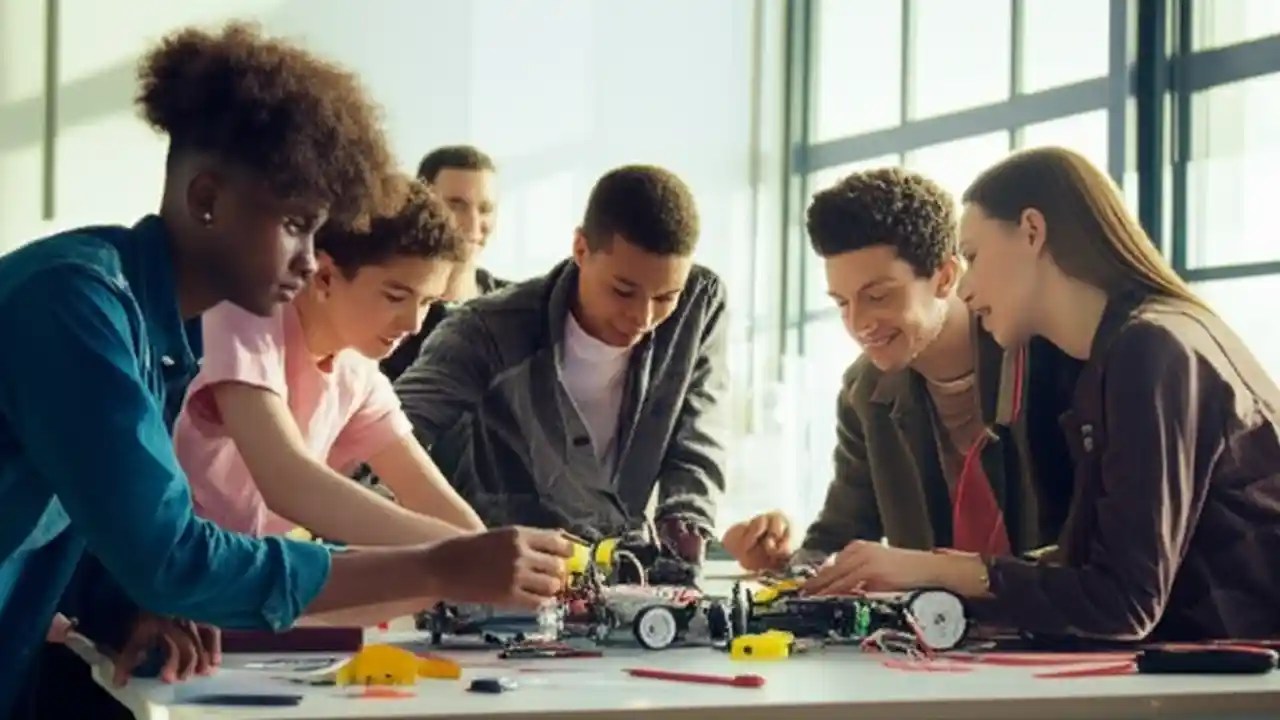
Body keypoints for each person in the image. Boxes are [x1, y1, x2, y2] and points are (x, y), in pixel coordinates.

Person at [0, 23, 569, 718]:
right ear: (207, 200)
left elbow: (84, 522)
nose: (310, 259)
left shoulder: (157, 335)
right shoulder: (75, 306)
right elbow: (173, 553)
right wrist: (437, 565)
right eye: (297, 223)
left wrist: (126, 606)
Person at [804, 147, 1280, 642]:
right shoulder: (1132, 345)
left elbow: (1122, 603)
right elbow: (1092, 570)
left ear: (1032, 232)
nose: (965, 290)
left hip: (1241, 680)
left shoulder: (1148, 346)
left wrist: (939, 571)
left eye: (973, 257)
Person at [721, 168, 1080, 578]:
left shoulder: (1047, 360)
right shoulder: (865, 391)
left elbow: (1098, 558)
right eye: (842, 303)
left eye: (878, 296)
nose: (859, 323)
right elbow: (837, 540)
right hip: (939, 636)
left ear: (946, 277)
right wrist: (782, 562)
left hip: (1061, 631)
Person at [393, 164, 728, 558]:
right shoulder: (485, 329)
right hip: (503, 582)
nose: (643, 317)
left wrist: (686, 529)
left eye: (665, 297)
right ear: (581, 249)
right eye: (623, 291)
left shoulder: (698, 307)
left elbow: (698, 441)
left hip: (624, 576)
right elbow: (392, 432)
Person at [174, 176, 485, 544]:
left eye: (428, 302)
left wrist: (510, 561)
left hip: (255, 569)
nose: (414, 324)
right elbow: (287, 481)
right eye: (395, 296)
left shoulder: (357, 371)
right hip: (170, 571)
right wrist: (457, 559)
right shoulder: (245, 318)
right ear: (324, 276)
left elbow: (429, 497)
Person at [380, 145, 508, 381]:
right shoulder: (384, 312)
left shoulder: (518, 307)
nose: (472, 223)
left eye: (485, 209)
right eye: (456, 205)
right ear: (419, 205)